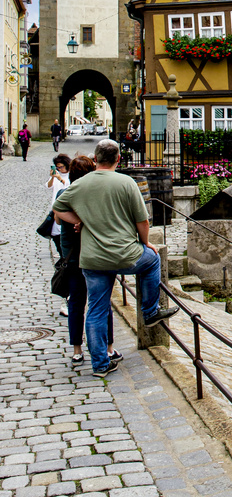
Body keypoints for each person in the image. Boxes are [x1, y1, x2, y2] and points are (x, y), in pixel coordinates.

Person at [53, 138, 178, 376]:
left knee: (97, 309)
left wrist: (79, 220)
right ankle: (150, 310)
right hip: (124, 256)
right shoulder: (125, 182)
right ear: (118, 159)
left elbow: (58, 209)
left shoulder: (80, 184)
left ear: (96, 158)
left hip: (93, 260)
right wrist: (146, 242)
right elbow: (142, 220)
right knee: (152, 260)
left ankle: (100, 364)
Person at [57, 155, 121, 368]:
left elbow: (56, 218)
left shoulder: (64, 194)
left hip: (72, 258)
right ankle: (109, 349)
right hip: (94, 257)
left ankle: (77, 351)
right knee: (102, 304)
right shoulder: (93, 196)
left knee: (76, 304)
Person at [46, 154, 71, 261]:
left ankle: (65, 254)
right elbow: (48, 186)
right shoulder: (56, 175)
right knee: (55, 232)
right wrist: (53, 177)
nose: (59, 169)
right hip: (55, 206)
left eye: (61, 167)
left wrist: (61, 179)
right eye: (57, 167)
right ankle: (60, 251)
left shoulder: (70, 175)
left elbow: (69, 188)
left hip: (65, 207)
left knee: (63, 231)